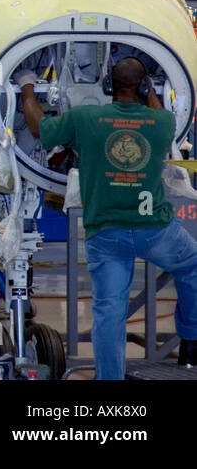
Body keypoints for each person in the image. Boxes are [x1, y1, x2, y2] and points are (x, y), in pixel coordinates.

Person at [19, 56, 197, 379]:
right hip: (154, 230)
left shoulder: (85, 119)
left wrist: (27, 84)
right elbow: (159, 111)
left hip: (106, 234)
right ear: (143, 87)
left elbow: (38, 127)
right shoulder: (162, 124)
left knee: (109, 315)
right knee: (193, 265)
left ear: (108, 86)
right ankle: (192, 338)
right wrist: (151, 91)